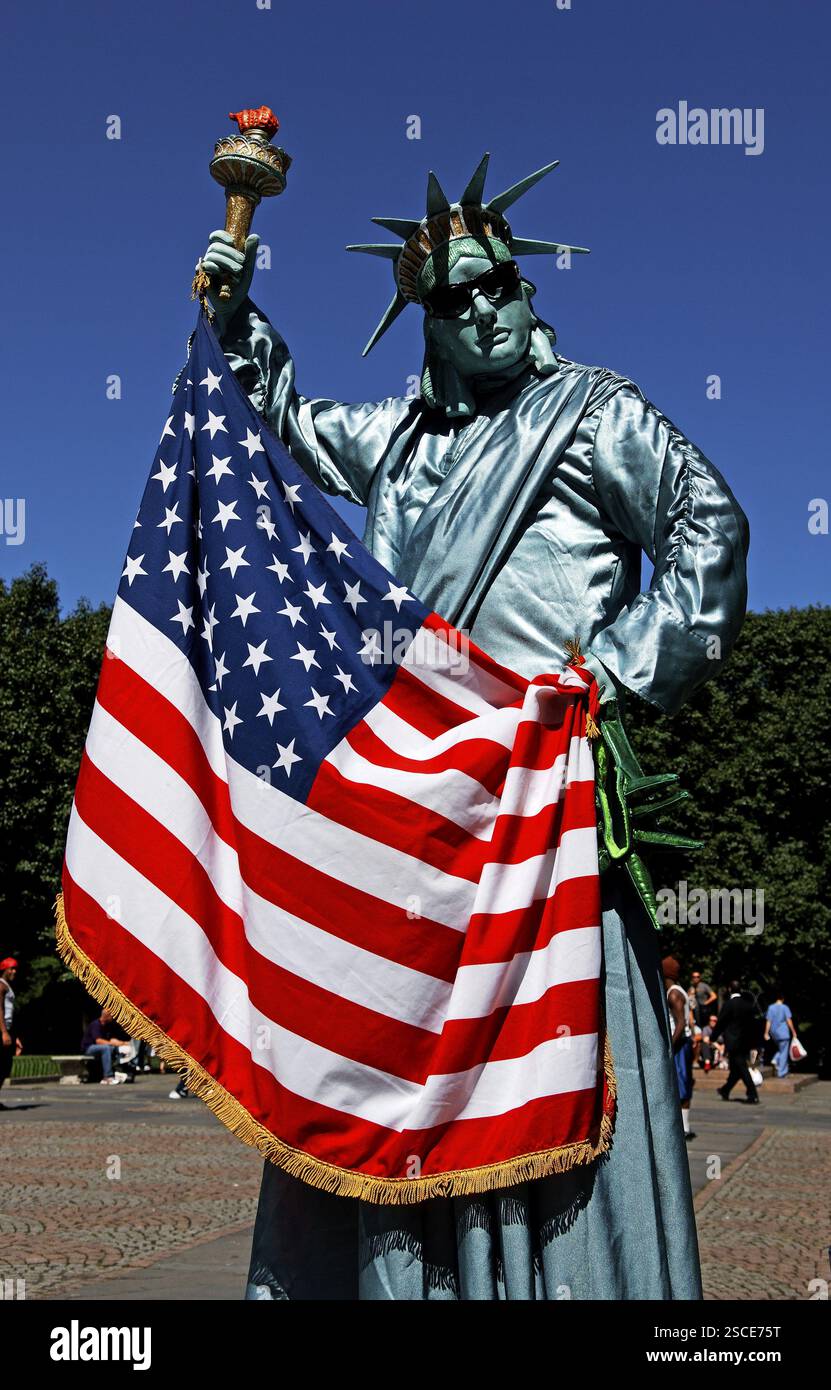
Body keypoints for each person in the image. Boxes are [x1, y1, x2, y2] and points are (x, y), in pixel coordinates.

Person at [197, 150, 749, 1301]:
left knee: (564, 1104)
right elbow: (282, 420)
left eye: (501, 285)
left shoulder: (595, 415)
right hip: (413, 836)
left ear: (528, 292)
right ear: (425, 319)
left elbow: (710, 527)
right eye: (458, 297)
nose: (487, 309)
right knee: (390, 1096)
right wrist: (236, 307)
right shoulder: (393, 441)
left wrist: (611, 676)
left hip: (552, 821)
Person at [663, 957, 695, 1142]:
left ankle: (684, 1128)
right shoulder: (678, 991)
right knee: (681, 1084)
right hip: (682, 1044)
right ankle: (682, 1127)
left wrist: (669, 1046)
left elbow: (681, 1024)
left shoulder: (673, 994)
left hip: (680, 1045)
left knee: (682, 1086)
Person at [714, 982, 760, 1104]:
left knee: (741, 1067)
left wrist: (713, 1037)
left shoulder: (728, 1004)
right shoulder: (748, 1004)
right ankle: (725, 1090)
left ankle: (752, 1094)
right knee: (736, 1069)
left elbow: (721, 1022)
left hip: (733, 1041)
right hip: (745, 1041)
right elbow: (753, 1024)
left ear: (730, 989)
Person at [81, 1007, 126, 1085]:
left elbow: (110, 1040)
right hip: (89, 1048)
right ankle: (107, 1077)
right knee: (106, 1048)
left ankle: (118, 1072)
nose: (113, 1018)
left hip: (99, 1048)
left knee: (113, 1049)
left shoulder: (106, 1026)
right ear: (106, 1016)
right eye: (112, 1016)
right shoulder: (96, 1024)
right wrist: (111, 1043)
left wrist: (121, 1043)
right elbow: (98, 1041)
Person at [0, 958, 22, 1108]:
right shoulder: (1, 985)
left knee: (5, 1066)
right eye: (11, 969)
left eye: (15, 969)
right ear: (4, 970)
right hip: (1, 1030)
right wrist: (3, 1032)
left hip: (7, 1029)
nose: (14, 972)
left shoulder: (7, 986)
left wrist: (15, 1037)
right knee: (1, 1065)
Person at [764, 989, 796, 1078]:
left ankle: (775, 1059)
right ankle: (781, 1072)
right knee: (784, 1052)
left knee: (782, 1049)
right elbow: (788, 1020)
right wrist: (793, 1031)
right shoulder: (785, 1007)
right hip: (783, 1032)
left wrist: (766, 1032)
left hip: (774, 1033)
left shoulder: (771, 1007)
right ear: (782, 999)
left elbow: (768, 1021)